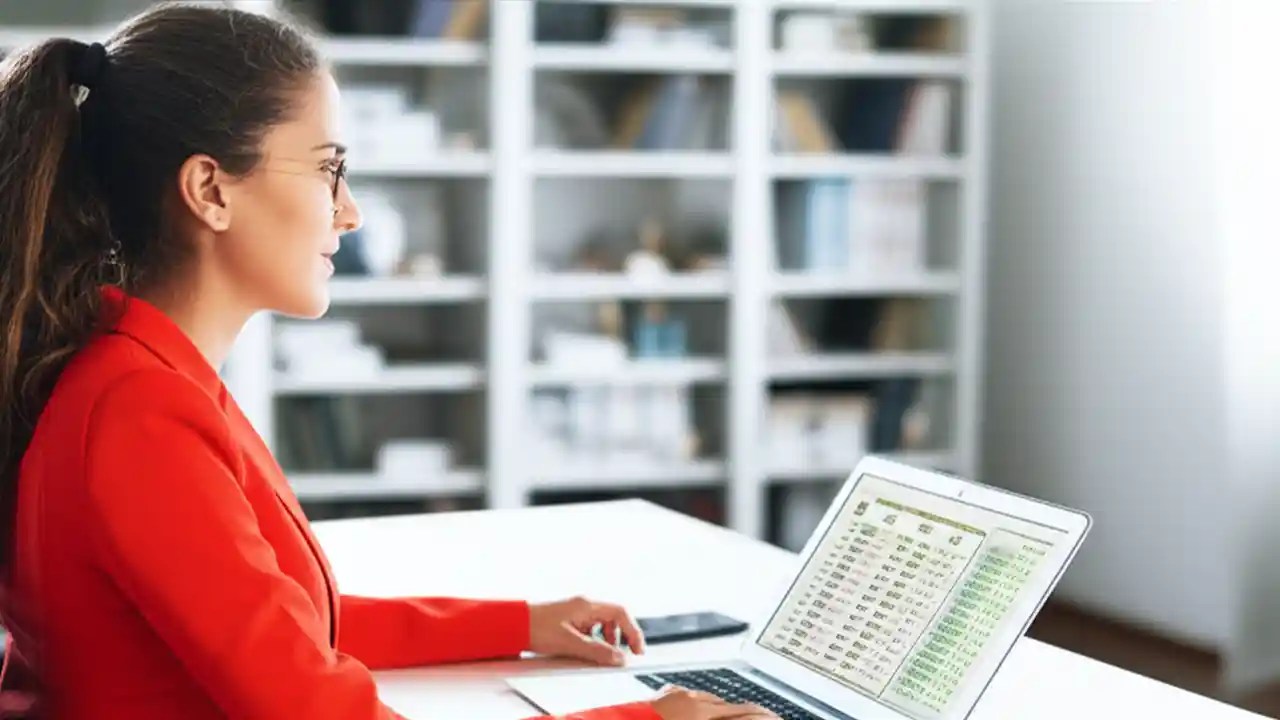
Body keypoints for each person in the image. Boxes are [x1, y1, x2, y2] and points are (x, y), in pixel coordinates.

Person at [0, 5, 776, 720]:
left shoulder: (139, 376)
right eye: (327, 168)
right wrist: (646, 718)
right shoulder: (141, 415)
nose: (350, 211)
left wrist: (525, 624)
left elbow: (285, 624)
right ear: (211, 189)